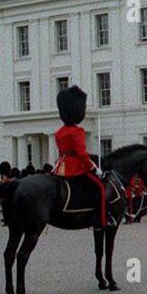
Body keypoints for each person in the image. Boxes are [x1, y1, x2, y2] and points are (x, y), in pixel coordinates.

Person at [51, 85, 107, 228]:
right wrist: (94, 168)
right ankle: (101, 219)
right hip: (74, 168)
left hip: (60, 167)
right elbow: (82, 154)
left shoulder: (59, 132)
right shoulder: (77, 131)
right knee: (99, 187)